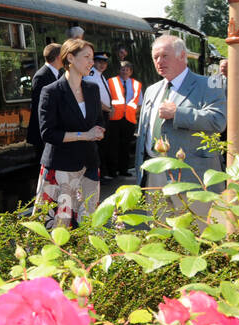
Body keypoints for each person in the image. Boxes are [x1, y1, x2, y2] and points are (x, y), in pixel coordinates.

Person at [134, 35, 227, 219]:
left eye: (165, 56)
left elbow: (218, 120)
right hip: (154, 175)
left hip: (192, 176)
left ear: (182, 56)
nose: (159, 61)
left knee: (196, 235)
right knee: (159, 236)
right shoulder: (152, 89)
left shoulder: (208, 84)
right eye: (155, 57)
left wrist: (178, 113)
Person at [35, 38, 108, 228]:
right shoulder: (51, 91)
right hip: (60, 170)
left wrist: (99, 131)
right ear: (70, 58)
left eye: (92, 57)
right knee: (57, 228)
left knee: (88, 226)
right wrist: (86, 135)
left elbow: (99, 121)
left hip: (89, 167)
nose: (91, 62)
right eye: (87, 57)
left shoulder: (92, 89)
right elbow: (48, 133)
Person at [104, 60, 142, 177]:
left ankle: (123, 170)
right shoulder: (110, 81)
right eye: (122, 69)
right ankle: (112, 170)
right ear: (119, 70)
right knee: (113, 145)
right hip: (114, 118)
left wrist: (133, 113)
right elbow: (106, 98)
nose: (124, 71)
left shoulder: (136, 84)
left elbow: (140, 103)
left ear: (131, 72)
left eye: (127, 69)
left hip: (129, 119)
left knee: (125, 146)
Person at [28, 43, 63, 156]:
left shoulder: (60, 74)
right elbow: (40, 108)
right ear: (58, 57)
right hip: (45, 133)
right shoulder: (41, 76)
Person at [85, 51, 112, 175]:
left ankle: (104, 172)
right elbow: (93, 98)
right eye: (99, 62)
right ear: (94, 62)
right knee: (99, 146)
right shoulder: (91, 75)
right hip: (98, 114)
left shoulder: (100, 75)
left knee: (104, 145)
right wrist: (108, 108)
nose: (102, 65)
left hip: (104, 113)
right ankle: (99, 174)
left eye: (104, 62)